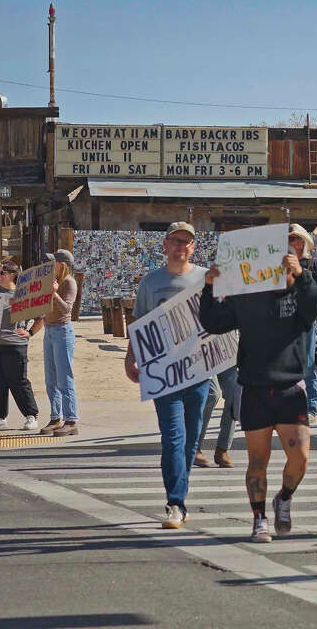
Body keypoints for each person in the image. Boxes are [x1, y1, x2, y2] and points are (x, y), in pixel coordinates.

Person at [200, 239, 317, 543]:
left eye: (286, 265)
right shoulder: (248, 296)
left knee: (301, 457)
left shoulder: (299, 295)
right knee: (257, 460)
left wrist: (302, 276)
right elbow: (214, 322)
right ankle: (259, 519)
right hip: (255, 388)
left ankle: (285, 497)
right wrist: (209, 287)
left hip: (291, 388)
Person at [125, 222, 213, 529]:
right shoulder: (151, 282)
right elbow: (139, 322)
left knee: (190, 439)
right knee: (173, 437)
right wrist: (131, 356)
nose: (181, 246)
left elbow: (223, 318)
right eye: (176, 240)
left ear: (194, 247)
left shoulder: (206, 278)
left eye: (186, 242)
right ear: (165, 244)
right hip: (163, 372)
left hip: (199, 370)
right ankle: (175, 502)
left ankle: (180, 494)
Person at [0, 260, 44, 431]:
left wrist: (29, 333)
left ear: (13, 275)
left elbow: (40, 318)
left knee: (18, 381)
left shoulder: (23, 295)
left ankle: (31, 415)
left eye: (2, 273)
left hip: (14, 344)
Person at [288, 223, 317, 425]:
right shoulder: (279, 264)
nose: (291, 242)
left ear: (302, 242)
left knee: (307, 365)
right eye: (288, 239)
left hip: (305, 321)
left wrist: (311, 292)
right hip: (283, 320)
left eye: (294, 238)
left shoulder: (313, 264)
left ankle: (310, 408)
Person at [38, 249, 80, 436]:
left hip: (62, 331)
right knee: (51, 378)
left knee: (64, 378)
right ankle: (56, 417)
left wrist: (54, 294)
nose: (50, 265)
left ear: (62, 264)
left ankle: (71, 420)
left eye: (53, 262)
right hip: (49, 330)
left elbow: (66, 309)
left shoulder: (69, 282)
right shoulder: (52, 280)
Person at [193, 367, 239, 468]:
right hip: (206, 359)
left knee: (234, 393)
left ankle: (222, 449)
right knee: (212, 394)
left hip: (228, 359)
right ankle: (194, 446)